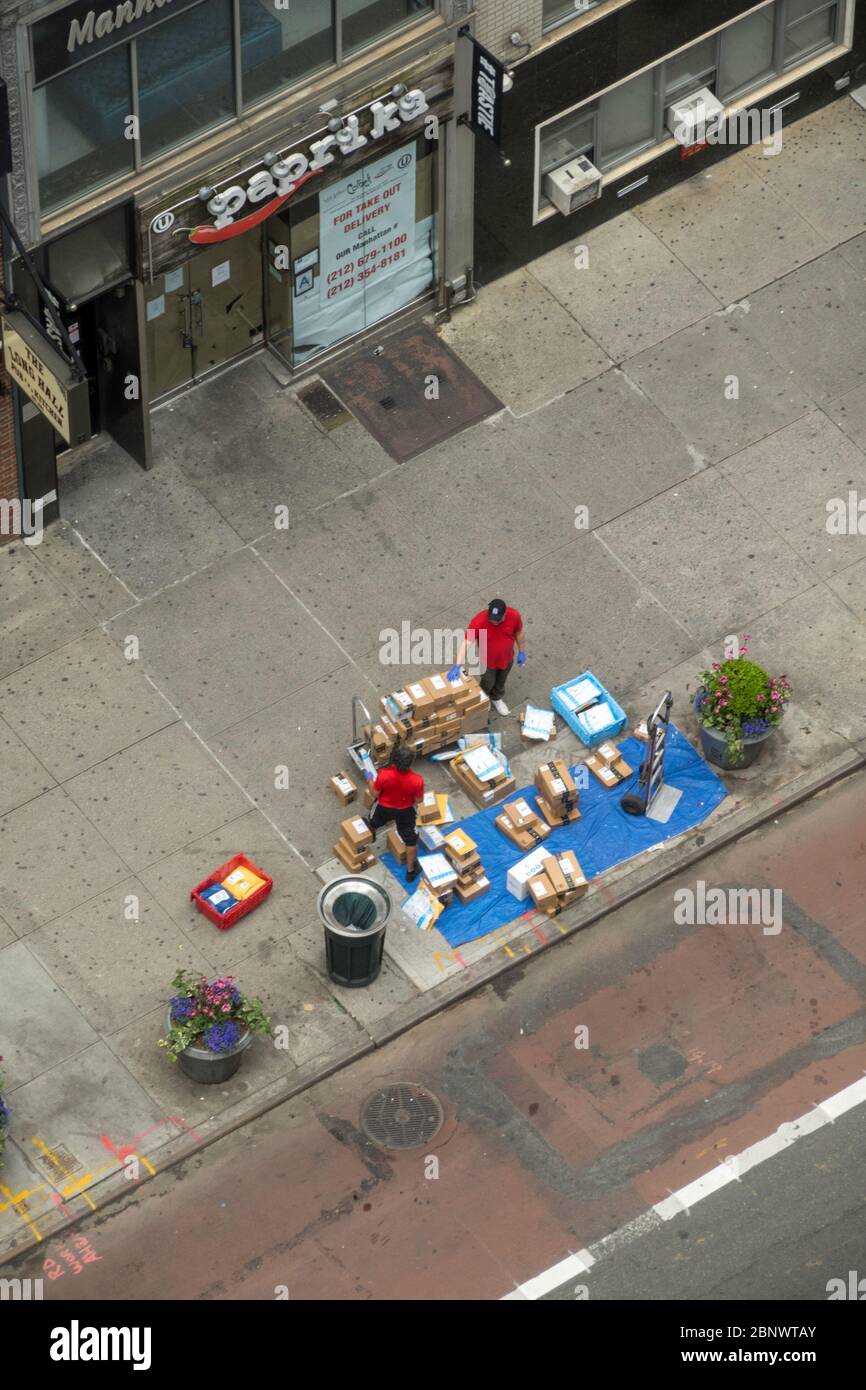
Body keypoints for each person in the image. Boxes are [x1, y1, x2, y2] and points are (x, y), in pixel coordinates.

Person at [447, 598, 525, 715]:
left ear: (505, 614)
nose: (494, 622)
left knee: (501, 681)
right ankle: (484, 699)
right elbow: (467, 642)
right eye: (492, 620)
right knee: (487, 682)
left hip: (507, 658)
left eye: (498, 620)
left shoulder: (514, 616)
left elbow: (518, 633)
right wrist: (457, 665)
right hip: (487, 662)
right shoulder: (478, 622)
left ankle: (496, 698)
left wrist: (521, 651)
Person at [364, 745, 425, 881]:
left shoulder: (383, 775)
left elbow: (374, 793)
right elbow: (419, 800)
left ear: (394, 760)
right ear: (411, 763)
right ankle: (410, 871)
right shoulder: (417, 780)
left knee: (373, 821)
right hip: (405, 811)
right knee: (410, 841)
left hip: (384, 808)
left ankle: (371, 835)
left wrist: (369, 779)